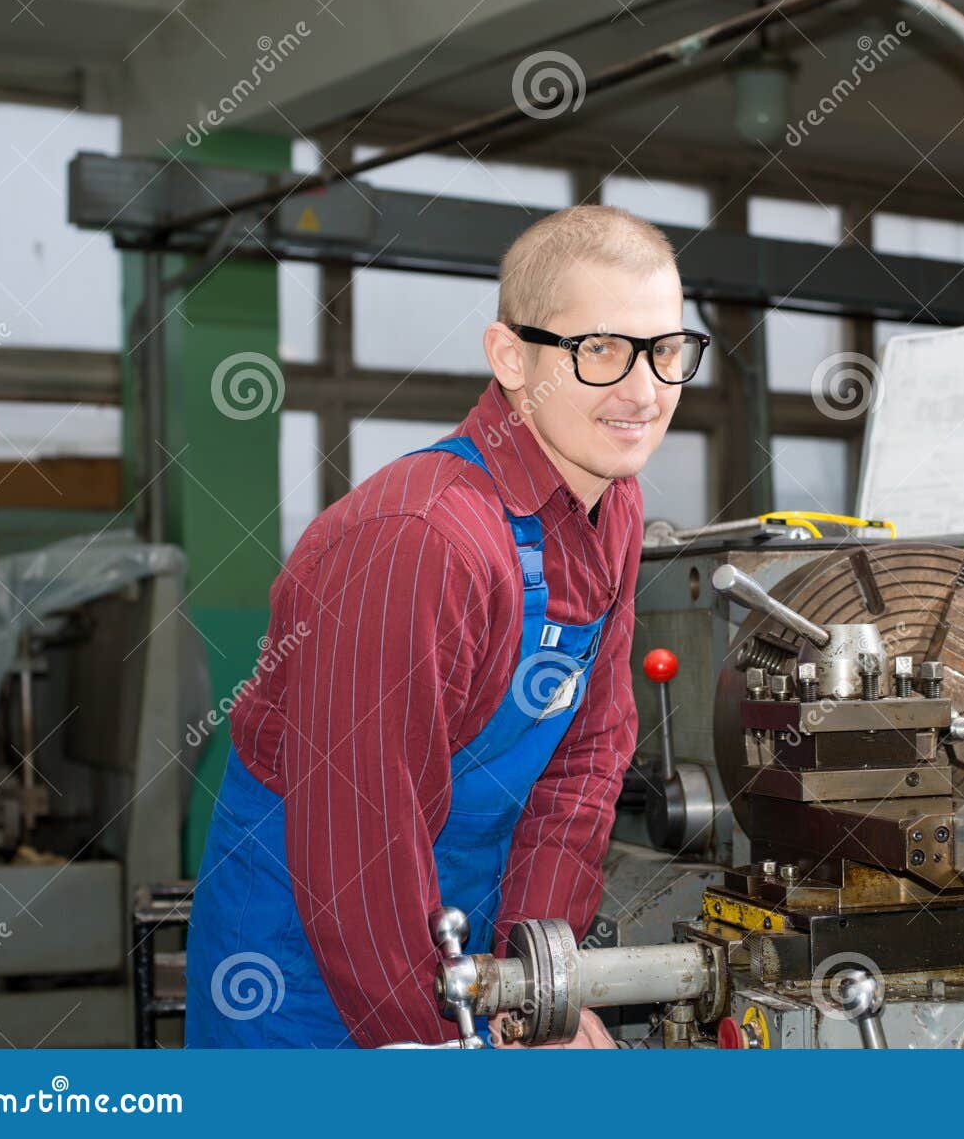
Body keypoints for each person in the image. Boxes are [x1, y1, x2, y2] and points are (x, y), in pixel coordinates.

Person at [185, 205, 705, 1048]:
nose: (643, 392)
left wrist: (539, 992)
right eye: (601, 350)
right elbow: (362, 846)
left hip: (463, 953)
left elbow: (584, 763)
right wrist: (450, 1046)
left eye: (666, 351)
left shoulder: (615, 507)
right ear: (511, 357)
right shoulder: (423, 540)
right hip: (304, 977)